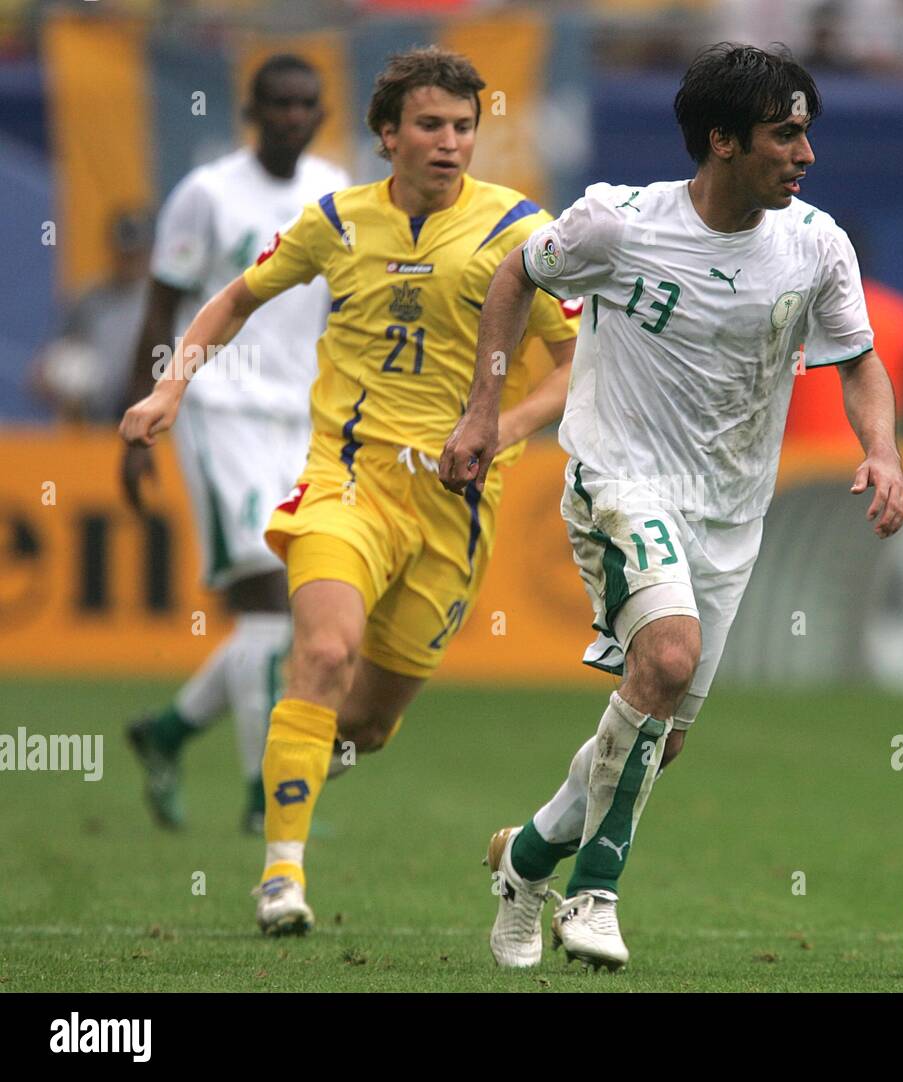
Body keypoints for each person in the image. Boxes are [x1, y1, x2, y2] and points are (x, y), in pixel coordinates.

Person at [441, 42, 903, 971]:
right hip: (621, 481)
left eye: (807, 133)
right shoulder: (616, 224)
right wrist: (485, 408)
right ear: (724, 141)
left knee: (663, 733)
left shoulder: (817, 245)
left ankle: (525, 860)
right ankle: (597, 894)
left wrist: (884, 452)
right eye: (786, 135)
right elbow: (514, 275)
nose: (806, 155)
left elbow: (857, 359)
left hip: (733, 512)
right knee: (667, 655)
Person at [120, 45, 580, 935]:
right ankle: (281, 877)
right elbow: (232, 299)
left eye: (463, 127)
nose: (449, 144)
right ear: (387, 137)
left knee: (363, 724)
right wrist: (169, 384)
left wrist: (500, 428)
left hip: (458, 503)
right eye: (430, 127)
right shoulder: (334, 220)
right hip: (347, 476)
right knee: (321, 654)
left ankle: (282, 746)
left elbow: (573, 367)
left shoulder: (525, 232)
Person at [122, 55, 348, 834]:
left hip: (303, 420)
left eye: (306, 103)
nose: (293, 115)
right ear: (252, 110)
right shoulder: (207, 194)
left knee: (293, 615)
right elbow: (162, 306)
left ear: (320, 112)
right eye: (278, 103)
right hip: (221, 412)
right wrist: (143, 416)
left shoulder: (334, 190)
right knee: (264, 613)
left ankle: (168, 733)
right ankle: (264, 802)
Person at [31, 210, 152, 423]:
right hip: (98, 420)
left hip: (149, 415)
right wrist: (53, 379)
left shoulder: (161, 300)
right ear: (113, 250)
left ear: (148, 251)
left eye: (136, 253)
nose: (130, 261)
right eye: (125, 253)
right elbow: (54, 361)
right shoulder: (91, 300)